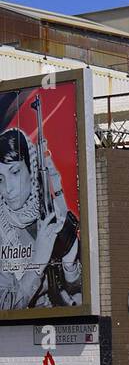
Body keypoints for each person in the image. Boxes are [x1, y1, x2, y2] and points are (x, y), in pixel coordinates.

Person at [0, 128, 80, 310]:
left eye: (14, 173)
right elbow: (6, 306)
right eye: (0, 179)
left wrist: (69, 265)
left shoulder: (49, 213)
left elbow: (80, 294)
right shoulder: (3, 230)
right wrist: (38, 263)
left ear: (31, 169)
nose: (8, 189)